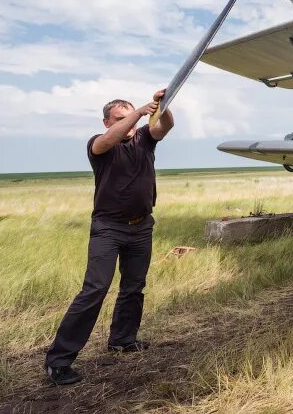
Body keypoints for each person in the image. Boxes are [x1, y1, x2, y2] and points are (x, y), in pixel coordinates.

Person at [44, 90, 174, 386]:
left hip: (141, 226)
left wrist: (163, 104)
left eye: (130, 117)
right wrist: (138, 112)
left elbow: (166, 125)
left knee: (134, 287)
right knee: (95, 289)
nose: (129, 124)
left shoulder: (144, 138)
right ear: (107, 122)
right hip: (108, 228)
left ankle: (123, 340)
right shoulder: (98, 144)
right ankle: (59, 361)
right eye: (120, 118)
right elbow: (108, 140)